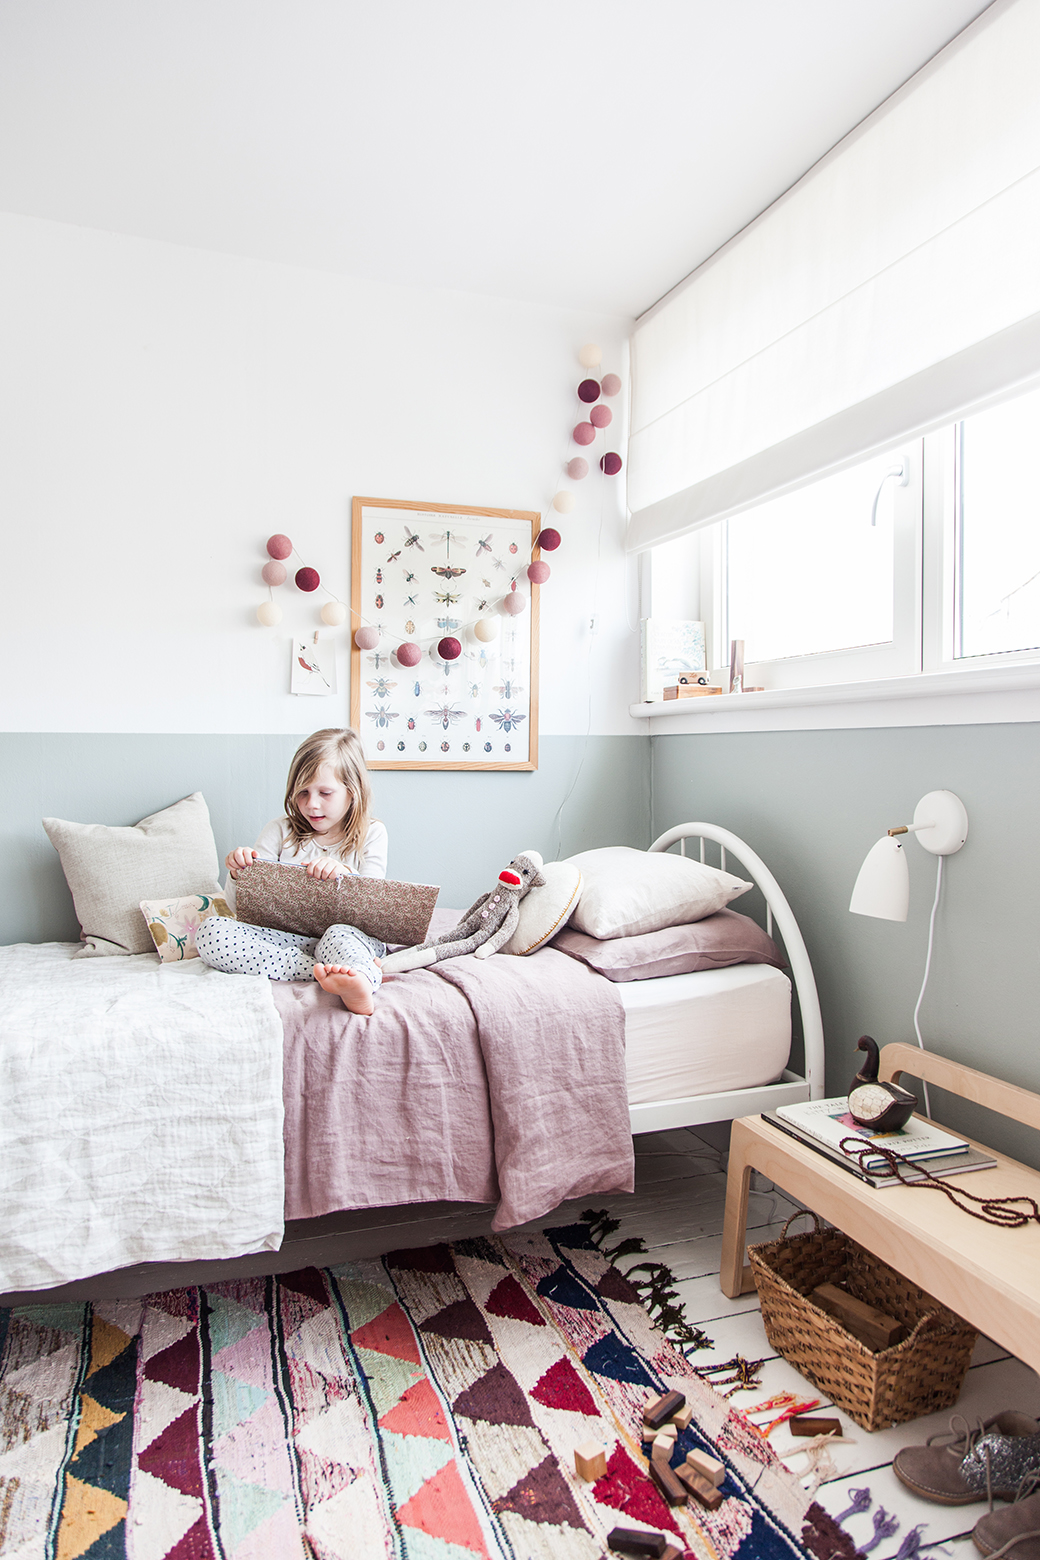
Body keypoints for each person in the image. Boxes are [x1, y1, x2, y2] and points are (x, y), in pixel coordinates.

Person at [195, 727, 387, 1015]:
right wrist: (239, 875)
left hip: (347, 937)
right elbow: (239, 910)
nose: (312, 803)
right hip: (286, 940)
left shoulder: (371, 833)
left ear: (352, 792)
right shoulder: (279, 831)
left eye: (325, 793)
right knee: (211, 931)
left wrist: (344, 872)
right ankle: (327, 973)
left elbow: (373, 906)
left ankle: (359, 978)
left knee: (339, 937)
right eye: (303, 793)